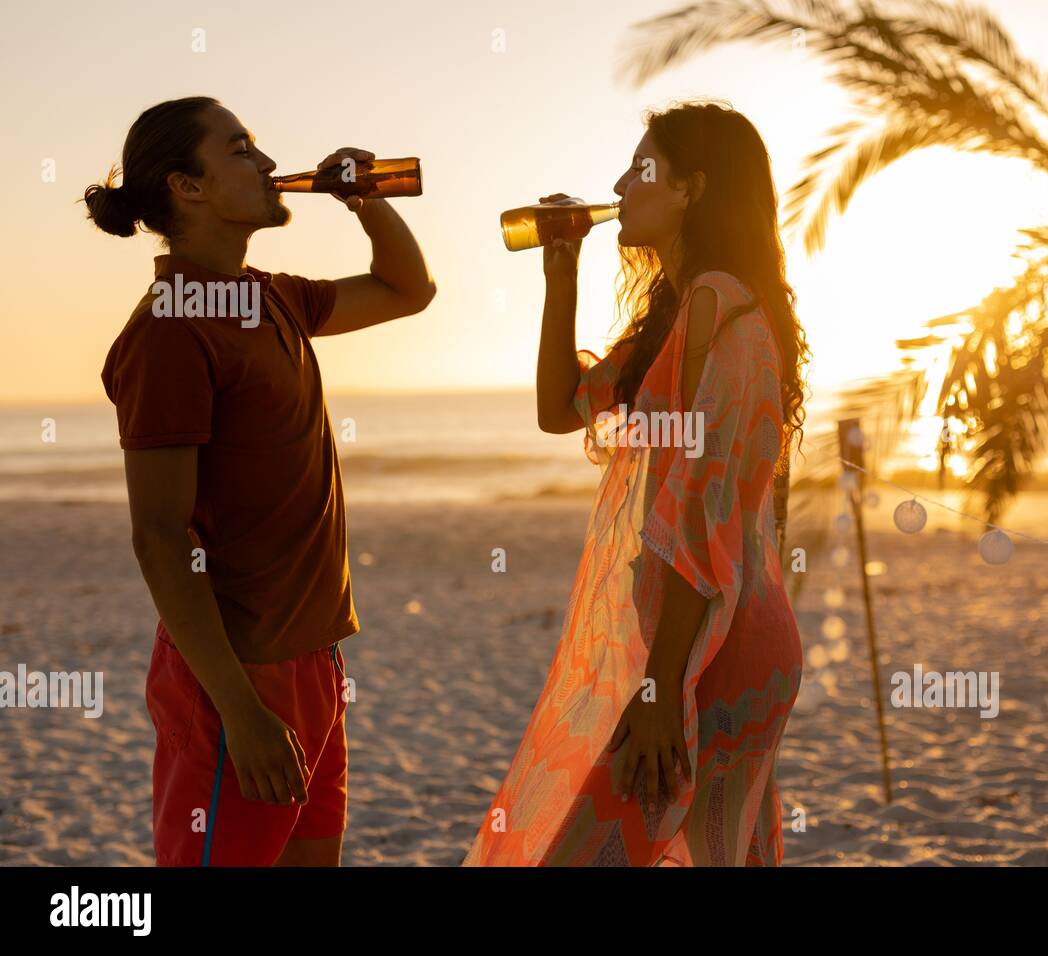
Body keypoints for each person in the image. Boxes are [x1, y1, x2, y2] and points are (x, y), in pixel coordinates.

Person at [86, 96, 436, 866]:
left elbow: (408, 290)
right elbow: (157, 535)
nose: (272, 165)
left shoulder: (273, 296)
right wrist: (239, 711)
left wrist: (365, 200)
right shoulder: (169, 333)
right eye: (242, 149)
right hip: (234, 679)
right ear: (190, 187)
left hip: (314, 661)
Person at [463, 101, 809, 866]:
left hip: (719, 649)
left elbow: (700, 511)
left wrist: (658, 690)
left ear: (692, 187)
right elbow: (562, 408)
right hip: (715, 639)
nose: (619, 183)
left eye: (641, 167)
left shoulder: (719, 305)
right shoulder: (681, 312)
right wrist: (562, 270)